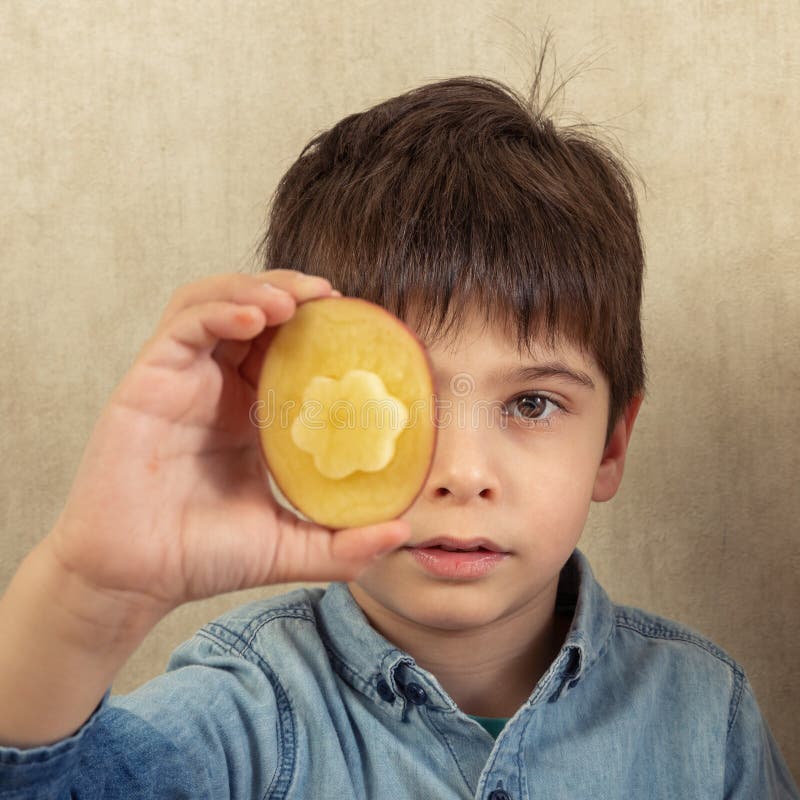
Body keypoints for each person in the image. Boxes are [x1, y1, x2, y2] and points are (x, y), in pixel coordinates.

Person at [0, 71, 797, 800]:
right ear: (285, 424)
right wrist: (89, 591)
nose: (461, 473)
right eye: (390, 403)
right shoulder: (240, 713)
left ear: (612, 445)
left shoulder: (706, 716)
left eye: (530, 405)